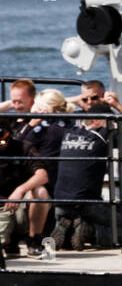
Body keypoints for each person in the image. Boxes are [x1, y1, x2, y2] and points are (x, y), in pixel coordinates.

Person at [50, 101, 122, 250]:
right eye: (111, 121)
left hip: (60, 203)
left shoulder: (69, 132)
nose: (113, 125)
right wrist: (119, 105)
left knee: (68, 242)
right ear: (97, 121)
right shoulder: (103, 135)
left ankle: (69, 225)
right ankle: (91, 231)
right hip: (87, 203)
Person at [8, 88, 69, 256]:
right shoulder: (66, 125)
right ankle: (13, 240)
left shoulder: (52, 130)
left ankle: (34, 239)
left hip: (42, 183)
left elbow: (16, 146)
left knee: (39, 191)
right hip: (25, 181)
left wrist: (32, 123)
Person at [0, 79, 36, 256]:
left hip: (24, 178)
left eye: (20, 101)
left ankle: (31, 239)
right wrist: (13, 103)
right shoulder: (9, 121)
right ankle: (9, 242)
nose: (16, 105)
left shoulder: (39, 121)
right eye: (13, 101)